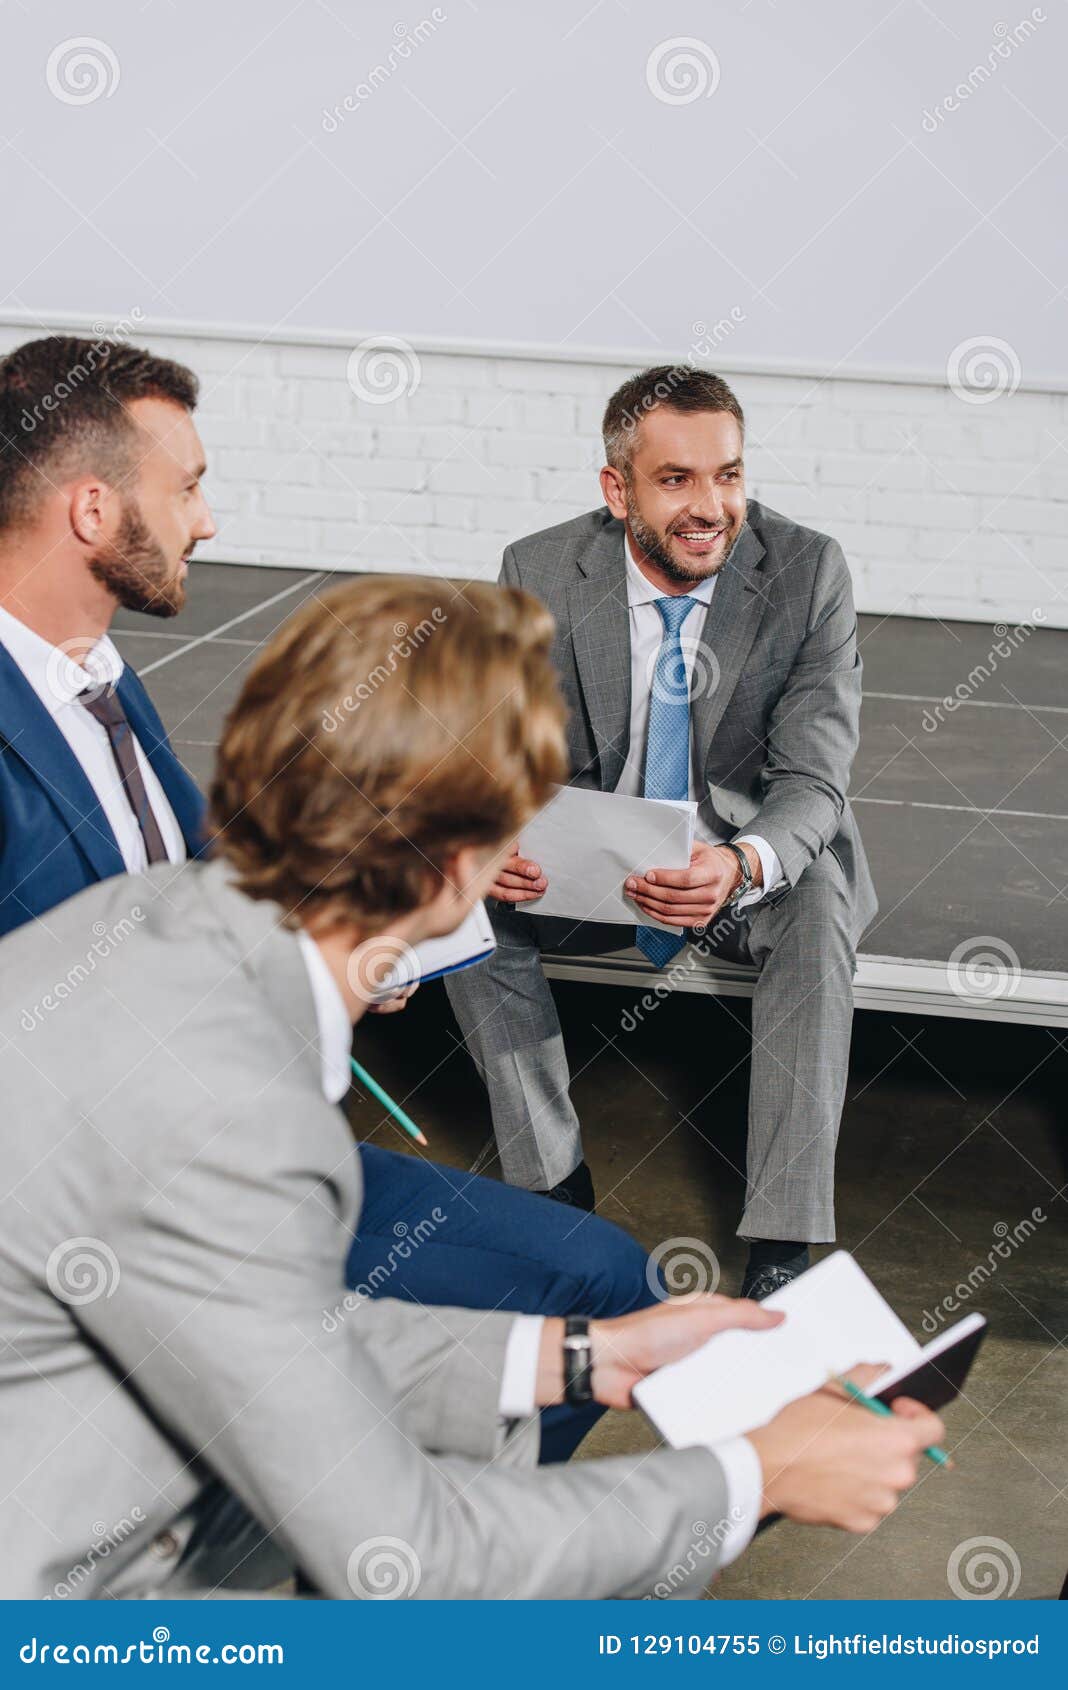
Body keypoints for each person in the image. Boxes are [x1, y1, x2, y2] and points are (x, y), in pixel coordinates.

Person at [0, 575, 944, 1598]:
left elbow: (282, 1340)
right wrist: (759, 1471)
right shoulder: (240, 1121)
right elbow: (409, 1554)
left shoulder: (148, 927)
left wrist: (588, 1358)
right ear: (459, 865)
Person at [0, 335, 657, 1462]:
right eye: (190, 487)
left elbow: (197, 894)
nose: (209, 520)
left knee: (609, 1279)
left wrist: (382, 906)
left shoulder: (99, 676)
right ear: (94, 509)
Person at [444, 365, 877, 1299]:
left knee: (821, 904)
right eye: (676, 479)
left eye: (727, 474)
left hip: (739, 848)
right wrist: (498, 836)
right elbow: (503, 751)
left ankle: (780, 1248)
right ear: (617, 490)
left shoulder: (808, 572)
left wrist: (737, 863)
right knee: (469, 905)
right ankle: (553, 1190)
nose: (710, 505)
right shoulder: (542, 568)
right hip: (597, 844)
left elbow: (812, 782)